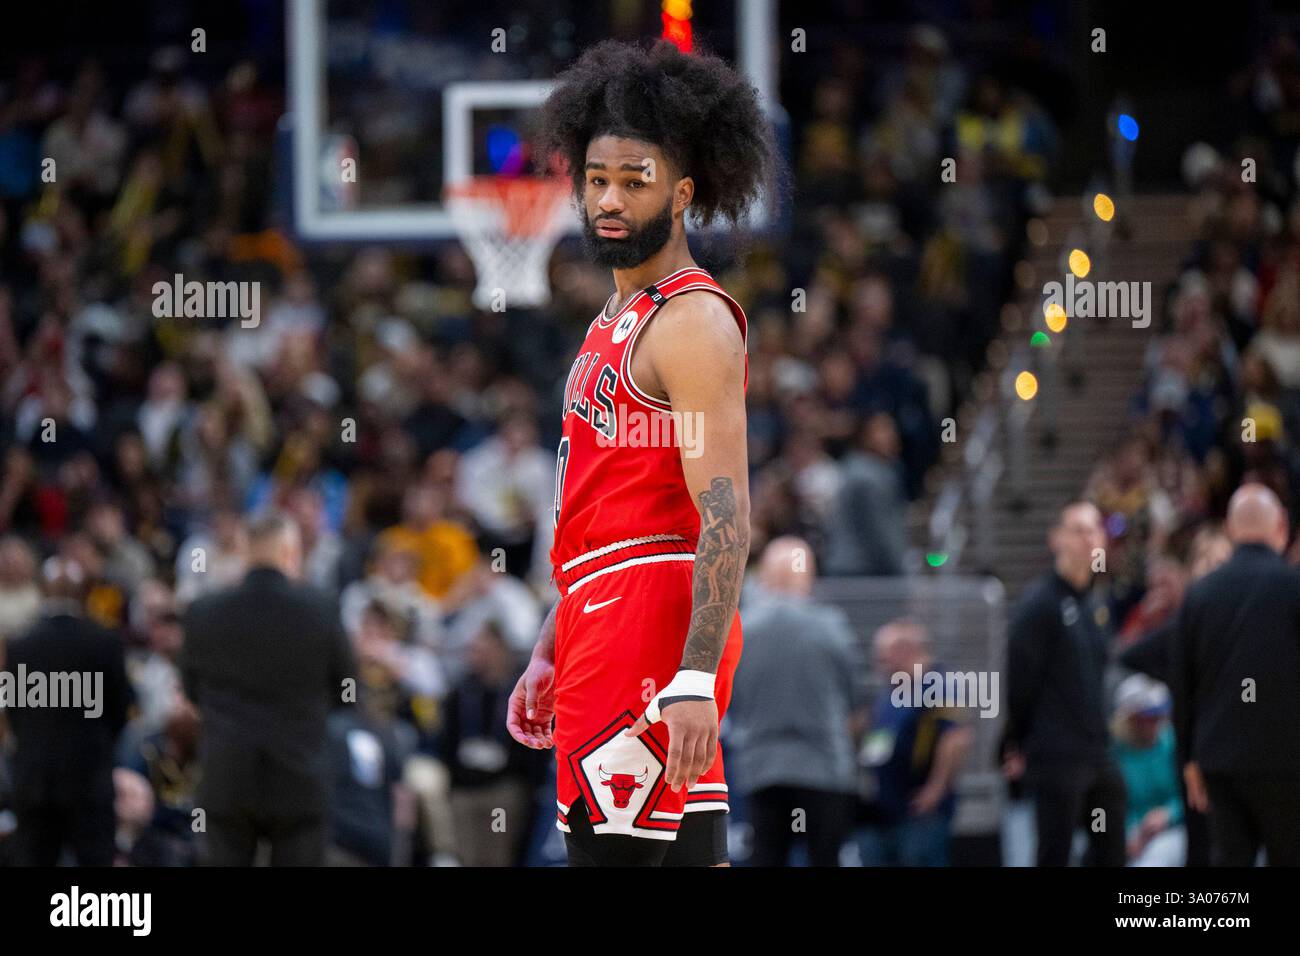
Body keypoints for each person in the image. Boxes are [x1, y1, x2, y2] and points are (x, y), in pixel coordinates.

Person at [506, 37, 779, 867]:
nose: (610, 200)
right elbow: (615, 506)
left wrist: (694, 677)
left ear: (684, 192)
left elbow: (723, 512)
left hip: (647, 630)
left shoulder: (691, 321)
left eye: (635, 180)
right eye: (596, 181)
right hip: (602, 612)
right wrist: (555, 632)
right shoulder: (613, 321)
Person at [179, 512, 355, 866]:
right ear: (291, 552)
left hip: (228, 776)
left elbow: (191, 689)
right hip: (299, 777)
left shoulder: (203, 611)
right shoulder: (321, 609)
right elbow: (347, 689)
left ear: (242, 552)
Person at [1169, 483, 1300, 865]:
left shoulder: (1199, 595)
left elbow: (1182, 683)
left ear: (1229, 528)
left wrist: (1189, 759)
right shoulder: (1294, 587)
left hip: (1218, 762)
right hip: (1288, 764)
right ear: (1282, 526)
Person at [1005, 500, 1127, 866]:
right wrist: (1020, 741)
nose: (1089, 538)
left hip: (1096, 751)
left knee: (1111, 846)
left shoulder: (1096, 606)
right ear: (1056, 539)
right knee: (1054, 853)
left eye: (1095, 529)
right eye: (1078, 529)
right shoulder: (1039, 605)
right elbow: (1019, 682)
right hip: (1056, 754)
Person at [729, 537, 861, 867]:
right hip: (824, 769)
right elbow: (853, 696)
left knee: (767, 857)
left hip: (762, 769)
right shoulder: (831, 627)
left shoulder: (743, 629)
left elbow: (731, 699)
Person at [2, 556, 132, 865]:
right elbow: (121, 708)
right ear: (81, 594)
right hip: (89, 777)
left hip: (35, 779)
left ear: (44, 592)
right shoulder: (105, 642)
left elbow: (13, 712)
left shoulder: (20, 645)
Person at [860, 620, 972, 866]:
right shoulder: (892, 691)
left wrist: (935, 789)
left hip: (919, 812)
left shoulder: (940, 684)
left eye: (884, 656)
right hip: (884, 811)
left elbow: (955, 738)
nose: (880, 663)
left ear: (905, 650)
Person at [1109, 674, 1184, 866]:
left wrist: (1168, 814)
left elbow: (1191, 796)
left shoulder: (1172, 745)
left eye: (1159, 716)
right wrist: (1127, 835)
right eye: (1148, 717)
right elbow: (1109, 806)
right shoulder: (1114, 754)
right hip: (1131, 835)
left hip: (1175, 830)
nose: (1155, 723)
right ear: (1130, 718)